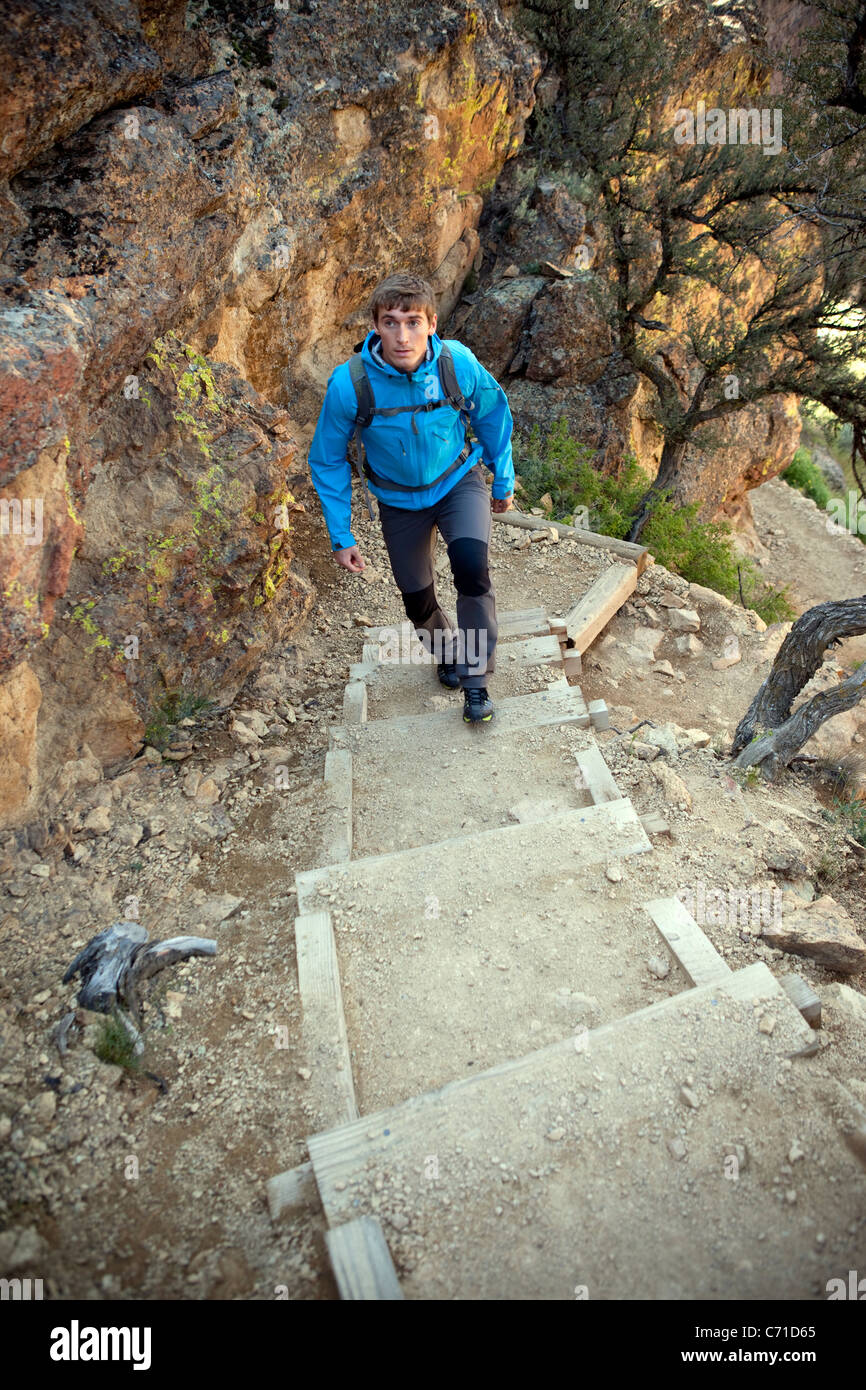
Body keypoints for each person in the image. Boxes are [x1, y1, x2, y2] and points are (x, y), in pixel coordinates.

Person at [307, 271, 515, 724]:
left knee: (472, 571)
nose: (403, 336)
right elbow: (326, 460)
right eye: (391, 322)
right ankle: (446, 652)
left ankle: (476, 683)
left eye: (413, 322)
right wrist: (341, 535)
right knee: (416, 598)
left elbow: (494, 413)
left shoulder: (455, 365)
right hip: (399, 501)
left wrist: (503, 478)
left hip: (458, 481)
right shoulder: (350, 385)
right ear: (375, 325)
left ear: (432, 323)